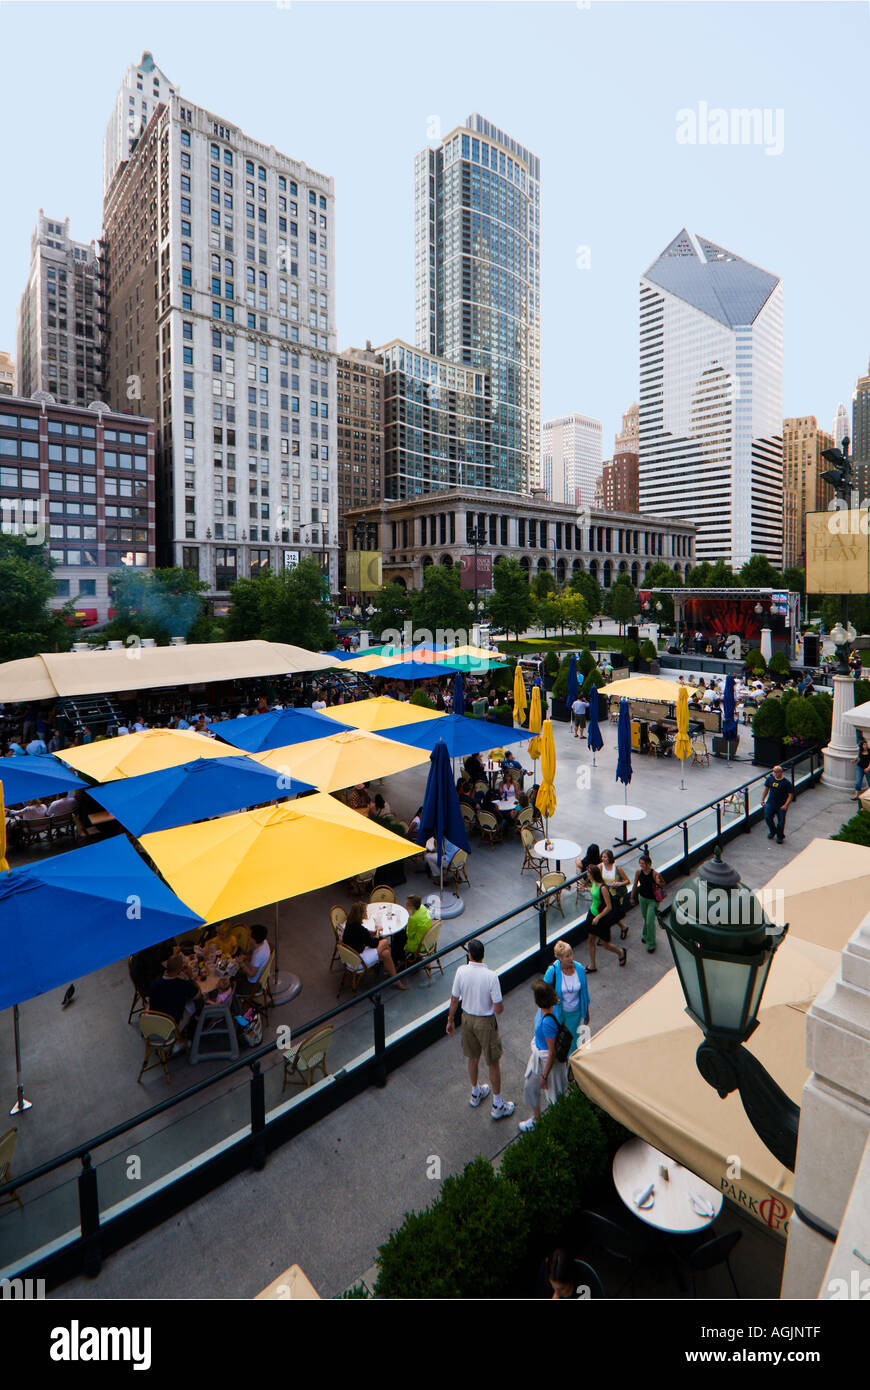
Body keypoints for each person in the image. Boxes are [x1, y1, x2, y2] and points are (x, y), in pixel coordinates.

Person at [445, 938, 514, 1118]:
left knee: (472, 1058)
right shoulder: (491, 976)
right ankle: (497, 1105)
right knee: (493, 1062)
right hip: (485, 1022)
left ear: (469, 955)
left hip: (467, 1019)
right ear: (483, 955)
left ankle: (475, 1093)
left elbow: (454, 999)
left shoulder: (461, 971)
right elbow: (499, 1009)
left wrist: (450, 1020)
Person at [519, 980, 567, 1133]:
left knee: (555, 1098)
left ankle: (559, 1128)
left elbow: (551, 1053)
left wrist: (544, 1076)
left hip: (548, 1062)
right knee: (530, 1086)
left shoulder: (547, 1022)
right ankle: (537, 1119)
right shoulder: (543, 1011)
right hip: (539, 1056)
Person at [341, 901, 408, 989]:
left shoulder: (350, 923)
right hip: (359, 960)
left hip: (350, 955)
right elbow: (374, 944)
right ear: (361, 914)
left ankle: (395, 978)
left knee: (386, 953)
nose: (366, 913)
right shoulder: (360, 929)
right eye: (365, 911)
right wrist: (377, 933)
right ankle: (392, 968)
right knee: (384, 942)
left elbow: (362, 934)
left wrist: (371, 933)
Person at [543, 940, 590, 1051]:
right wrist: (553, 997)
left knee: (572, 1041)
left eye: (571, 954)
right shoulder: (552, 971)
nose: (571, 958)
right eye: (567, 956)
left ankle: (569, 1058)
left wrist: (586, 1013)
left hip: (575, 1013)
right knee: (561, 1040)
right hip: (559, 1013)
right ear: (559, 958)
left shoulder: (579, 969)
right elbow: (543, 988)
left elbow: (585, 993)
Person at [583, 865, 626, 971]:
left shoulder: (603, 888)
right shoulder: (594, 883)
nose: (587, 874)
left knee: (605, 944)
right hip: (592, 914)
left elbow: (609, 907)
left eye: (588, 872)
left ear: (593, 874)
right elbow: (594, 891)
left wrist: (598, 917)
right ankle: (592, 965)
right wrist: (585, 889)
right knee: (590, 940)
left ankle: (620, 952)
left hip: (600, 918)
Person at [148, 952, 200, 1034]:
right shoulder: (182, 985)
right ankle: (188, 1032)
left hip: (154, 1021)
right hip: (171, 1025)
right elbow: (197, 995)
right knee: (193, 1005)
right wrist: (191, 978)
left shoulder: (154, 983)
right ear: (180, 969)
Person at [630, 852, 666, 953]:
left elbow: (662, 885)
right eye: (640, 863)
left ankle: (651, 943)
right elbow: (635, 884)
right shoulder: (638, 872)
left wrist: (659, 882)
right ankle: (645, 934)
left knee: (650, 921)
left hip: (652, 900)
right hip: (642, 898)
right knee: (645, 918)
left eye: (643, 863)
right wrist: (631, 897)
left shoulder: (654, 874)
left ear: (649, 864)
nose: (641, 865)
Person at [234, 924, 271, 997]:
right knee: (234, 974)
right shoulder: (264, 942)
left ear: (254, 940)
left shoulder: (258, 955)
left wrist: (241, 964)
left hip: (253, 984)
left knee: (230, 986)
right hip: (261, 977)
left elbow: (251, 974)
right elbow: (257, 960)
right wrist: (246, 957)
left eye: (249, 935)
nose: (247, 937)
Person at [761, 764, 794, 844]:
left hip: (781, 805)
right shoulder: (770, 779)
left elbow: (790, 795)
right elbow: (766, 789)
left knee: (781, 822)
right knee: (767, 817)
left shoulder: (786, 783)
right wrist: (762, 799)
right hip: (770, 803)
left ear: (781, 772)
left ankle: (780, 836)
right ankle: (773, 831)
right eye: (774, 771)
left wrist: (786, 805)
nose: (775, 773)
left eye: (777, 772)